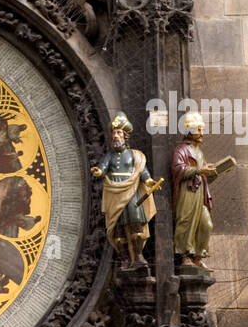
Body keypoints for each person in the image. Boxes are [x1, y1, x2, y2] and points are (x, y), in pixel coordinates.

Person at [91, 113, 159, 267]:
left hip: (132, 192)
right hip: (115, 192)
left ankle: (138, 255)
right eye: (114, 133)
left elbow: (143, 172)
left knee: (136, 223)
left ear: (126, 136)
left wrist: (149, 181)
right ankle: (124, 258)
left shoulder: (135, 155)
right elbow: (102, 168)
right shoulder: (110, 156)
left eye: (119, 133)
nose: (116, 136)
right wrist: (98, 171)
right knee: (119, 227)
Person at [172, 110, 216, 268]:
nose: (201, 132)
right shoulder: (181, 150)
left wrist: (211, 172)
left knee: (206, 224)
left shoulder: (199, 152)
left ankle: (198, 255)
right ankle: (185, 255)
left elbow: (202, 171)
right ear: (189, 131)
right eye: (198, 129)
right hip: (188, 191)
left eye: (201, 129)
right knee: (186, 221)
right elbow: (178, 169)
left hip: (199, 191)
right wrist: (199, 170)